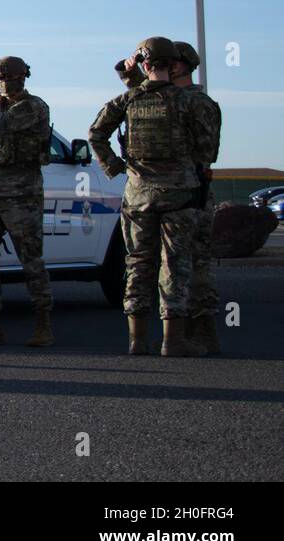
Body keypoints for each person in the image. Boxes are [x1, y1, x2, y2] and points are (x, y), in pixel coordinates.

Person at [88, 37, 217, 356]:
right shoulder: (193, 102)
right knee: (174, 264)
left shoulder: (128, 99)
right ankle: (173, 340)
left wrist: (116, 167)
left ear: (146, 65)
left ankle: (137, 339)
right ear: (172, 65)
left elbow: (96, 133)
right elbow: (207, 150)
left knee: (137, 263)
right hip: (179, 195)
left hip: (137, 194)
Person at [0, 56, 54, 347]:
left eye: (8, 78)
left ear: (22, 78)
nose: (3, 84)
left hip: (21, 196)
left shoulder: (32, 107)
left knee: (31, 260)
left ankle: (43, 325)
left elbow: (3, 125)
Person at [170, 41, 223, 354]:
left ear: (183, 65)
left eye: (170, 62)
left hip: (194, 190)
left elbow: (207, 151)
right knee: (177, 264)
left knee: (196, 262)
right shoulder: (170, 99)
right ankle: (186, 330)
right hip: (174, 192)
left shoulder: (198, 102)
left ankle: (204, 330)